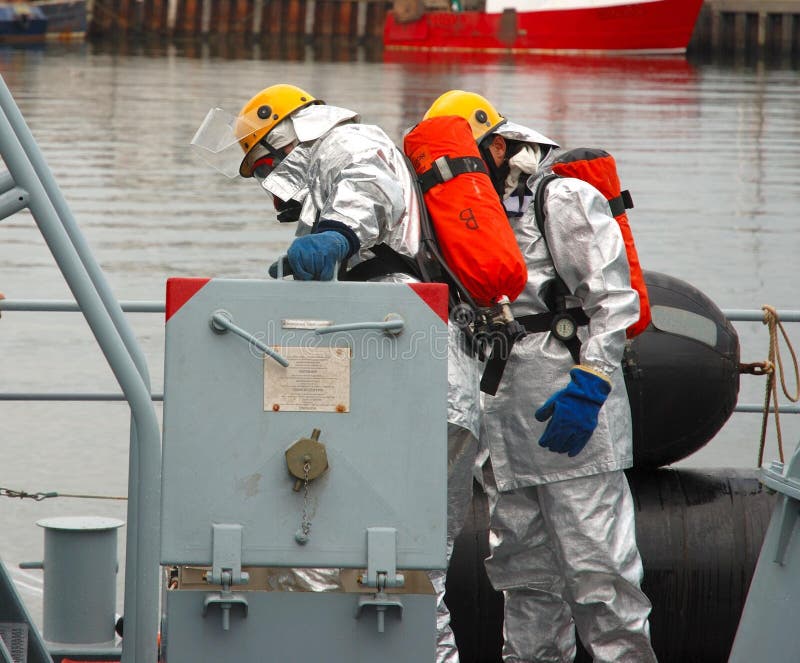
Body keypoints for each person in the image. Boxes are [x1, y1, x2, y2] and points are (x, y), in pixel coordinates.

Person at [192, 84, 481, 663]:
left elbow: (368, 190)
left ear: (286, 135)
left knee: (364, 552)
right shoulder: (327, 179)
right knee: (415, 565)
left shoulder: (349, 141)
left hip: (407, 380)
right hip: (421, 382)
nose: (266, 184)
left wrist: (337, 234)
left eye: (263, 166)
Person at [424, 90, 658, 663]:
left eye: (473, 165)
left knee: (600, 573)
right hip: (502, 422)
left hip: (571, 410)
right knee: (524, 577)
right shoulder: (466, 219)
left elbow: (614, 303)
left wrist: (591, 385)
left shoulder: (562, 197)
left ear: (499, 146)